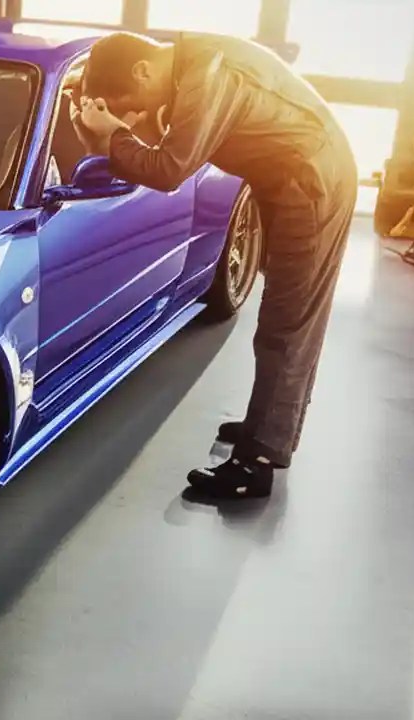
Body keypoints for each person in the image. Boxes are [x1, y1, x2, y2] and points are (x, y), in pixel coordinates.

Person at [74, 31, 358, 500]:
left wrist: (113, 136)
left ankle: (256, 464)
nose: (137, 113)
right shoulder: (189, 67)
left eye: (133, 103)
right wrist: (106, 134)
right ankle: (271, 428)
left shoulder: (208, 75)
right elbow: (164, 148)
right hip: (295, 176)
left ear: (142, 71)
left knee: (287, 322)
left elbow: (169, 169)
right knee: (291, 315)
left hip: (311, 183)